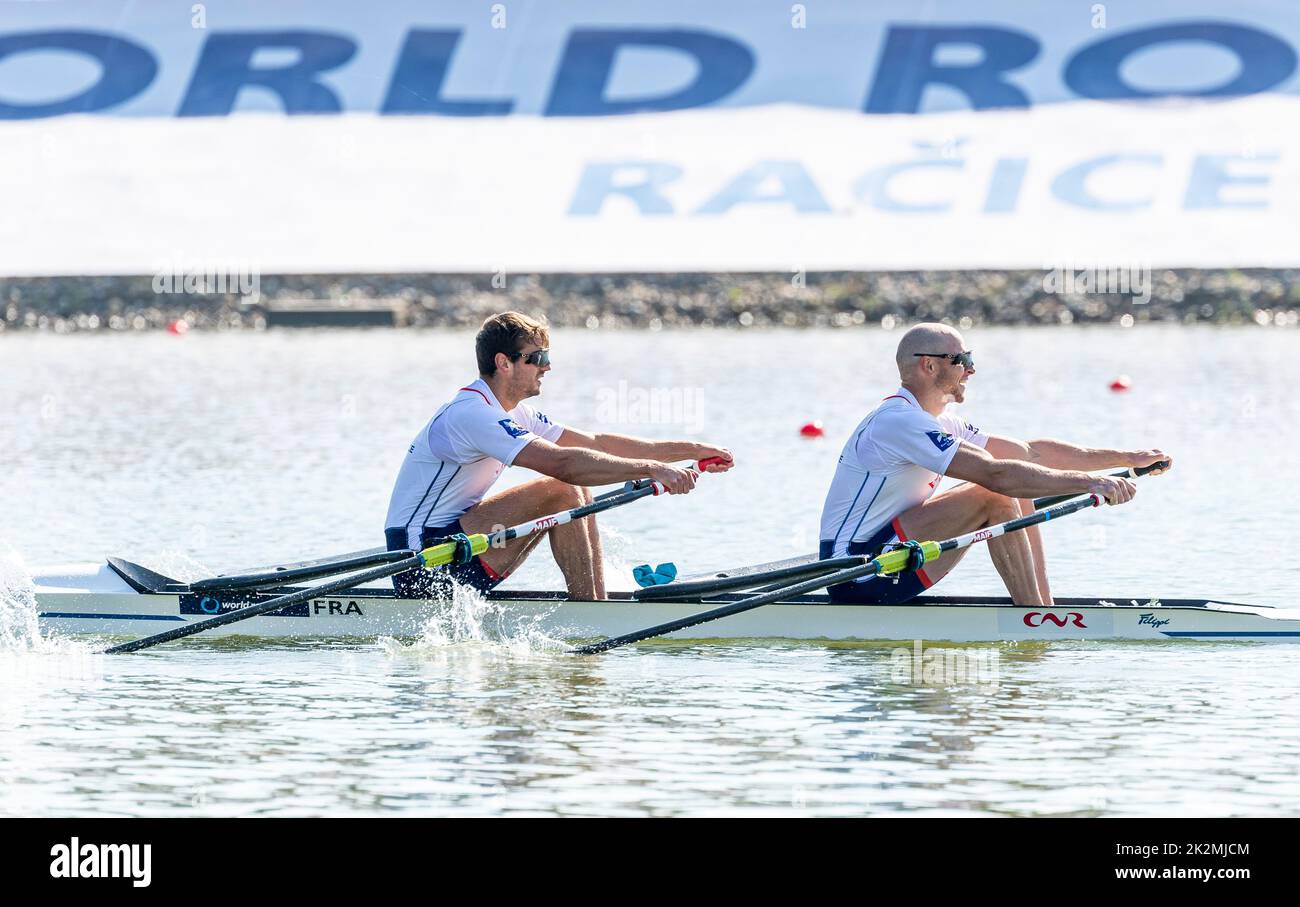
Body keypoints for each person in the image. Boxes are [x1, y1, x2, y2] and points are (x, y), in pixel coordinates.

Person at [385, 312, 733, 600]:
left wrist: (690, 450)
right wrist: (653, 470)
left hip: (461, 546)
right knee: (561, 488)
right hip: (421, 563)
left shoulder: (513, 413)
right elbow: (562, 464)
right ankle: (592, 611)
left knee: (577, 490)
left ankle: (596, 602)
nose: (547, 367)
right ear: (503, 363)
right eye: (538, 358)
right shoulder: (471, 414)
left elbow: (596, 445)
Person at [818, 322, 1172, 605]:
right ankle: (1034, 618)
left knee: (1022, 483)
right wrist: (1091, 483)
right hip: (858, 571)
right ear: (929, 365)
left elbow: (1029, 454)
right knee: (998, 492)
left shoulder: (937, 422)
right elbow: (997, 475)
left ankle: (1041, 609)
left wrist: (1126, 458)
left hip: (894, 554)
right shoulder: (899, 421)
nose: (971, 370)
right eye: (962, 360)